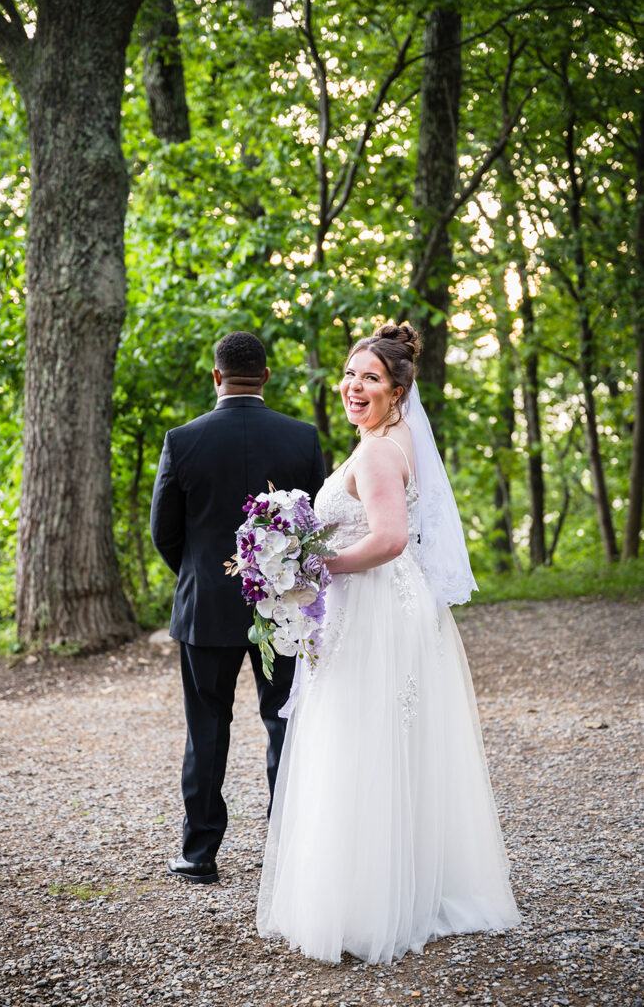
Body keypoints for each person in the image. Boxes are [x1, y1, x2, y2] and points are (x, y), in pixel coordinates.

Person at [257, 323, 521, 963]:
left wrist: (317, 568)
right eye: (351, 375)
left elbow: (390, 538)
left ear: (398, 390)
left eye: (370, 378)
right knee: (390, 745)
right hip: (389, 603)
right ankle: (408, 888)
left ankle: (367, 904)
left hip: (375, 604)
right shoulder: (392, 441)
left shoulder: (377, 452)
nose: (354, 386)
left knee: (360, 742)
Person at [150, 331, 326, 885]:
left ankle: (199, 855)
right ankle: (288, 851)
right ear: (267, 377)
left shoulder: (183, 440)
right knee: (285, 722)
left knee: (206, 727)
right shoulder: (302, 438)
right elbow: (316, 529)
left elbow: (164, 532)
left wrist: (204, 577)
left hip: (205, 611)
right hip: (284, 609)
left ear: (216, 375)